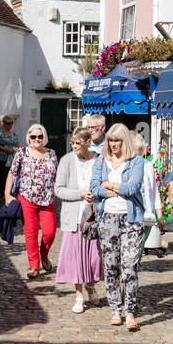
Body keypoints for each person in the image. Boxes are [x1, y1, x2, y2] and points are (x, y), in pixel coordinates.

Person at [90, 123, 146, 331]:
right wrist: (113, 191)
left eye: (117, 141)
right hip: (108, 218)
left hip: (131, 219)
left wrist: (110, 185)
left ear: (125, 141)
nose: (113, 144)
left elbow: (133, 187)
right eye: (110, 141)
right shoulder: (101, 161)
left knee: (130, 266)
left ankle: (130, 311)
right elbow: (94, 187)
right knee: (111, 266)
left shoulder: (136, 161)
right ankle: (116, 309)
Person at [54, 127, 103, 312]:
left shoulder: (98, 160)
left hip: (93, 215)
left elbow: (103, 183)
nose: (74, 146)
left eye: (78, 143)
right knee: (77, 258)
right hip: (74, 216)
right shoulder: (66, 161)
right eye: (72, 143)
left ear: (88, 142)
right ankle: (79, 295)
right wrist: (80, 194)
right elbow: (58, 189)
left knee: (94, 257)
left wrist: (96, 193)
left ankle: (91, 285)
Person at [5, 124, 58, 280]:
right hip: (27, 197)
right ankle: (34, 265)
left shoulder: (52, 153)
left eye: (40, 136)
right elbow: (12, 173)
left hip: (47, 198)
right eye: (33, 136)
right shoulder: (22, 152)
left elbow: (57, 175)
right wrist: (7, 194)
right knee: (31, 232)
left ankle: (44, 254)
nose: (36, 139)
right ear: (29, 137)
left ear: (44, 137)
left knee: (50, 232)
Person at [133, 133, 161, 256]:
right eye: (136, 151)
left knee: (138, 253)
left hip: (147, 216)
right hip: (129, 216)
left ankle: (134, 272)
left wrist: (159, 215)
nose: (138, 154)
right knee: (130, 253)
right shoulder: (123, 165)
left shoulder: (147, 165)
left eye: (140, 151)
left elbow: (154, 191)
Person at [0, 116, 18, 199]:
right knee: (0, 176)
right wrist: (5, 149)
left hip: (11, 159)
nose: (10, 125)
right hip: (1, 158)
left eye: (12, 123)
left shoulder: (14, 134)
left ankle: (7, 192)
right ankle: (0, 192)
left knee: (9, 176)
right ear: (5, 124)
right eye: (8, 123)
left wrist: (14, 150)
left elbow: (17, 145)